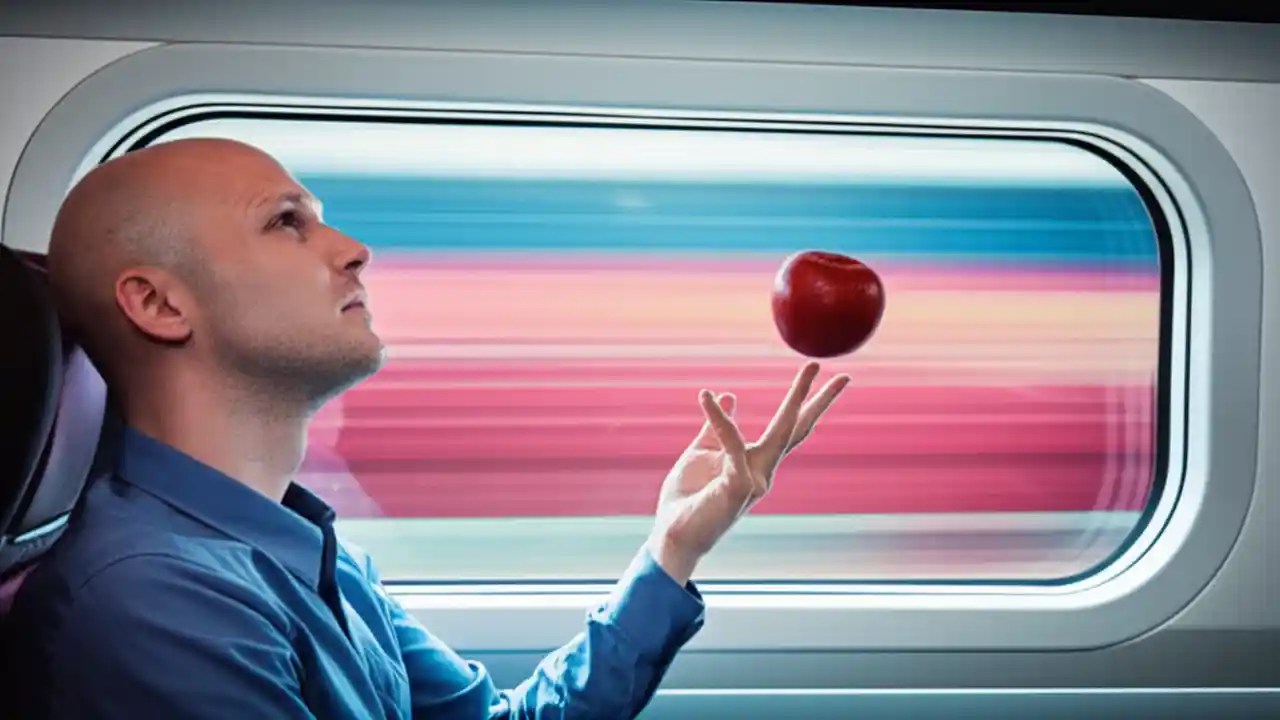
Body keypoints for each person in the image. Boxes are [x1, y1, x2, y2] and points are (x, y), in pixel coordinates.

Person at [0, 138, 850, 718]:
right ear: (159, 304)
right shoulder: (150, 602)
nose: (353, 248)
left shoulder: (307, 548)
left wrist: (673, 549)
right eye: (285, 222)